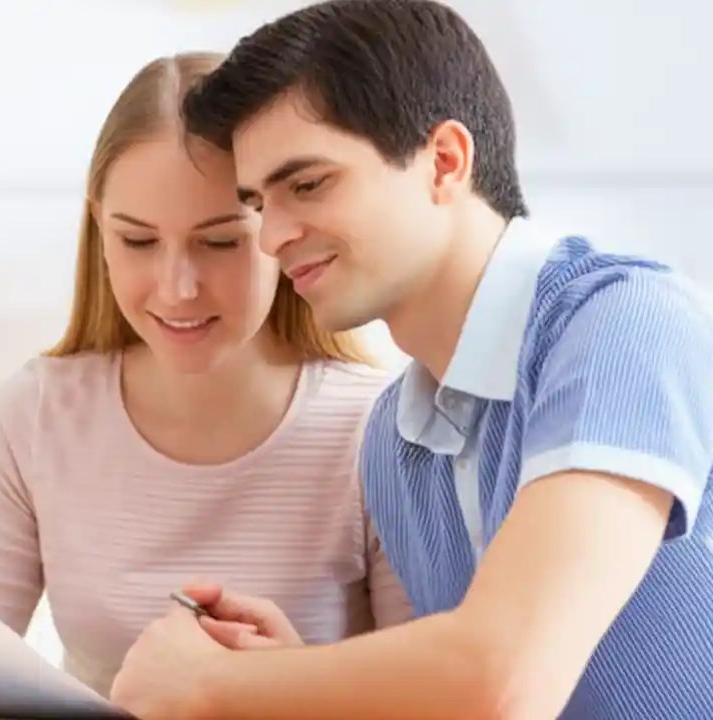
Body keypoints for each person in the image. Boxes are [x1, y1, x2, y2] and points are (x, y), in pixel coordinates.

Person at [108, 1, 713, 719]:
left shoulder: (623, 323)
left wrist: (209, 684)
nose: (272, 236)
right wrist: (295, 673)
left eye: (307, 185)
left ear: (445, 162)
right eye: (259, 203)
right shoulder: (396, 438)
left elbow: (504, 681)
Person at [0, 52, 411, 715]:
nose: (178, 289)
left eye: (219, 242)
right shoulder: (36, 413)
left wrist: (293, 688)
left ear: (280, 227)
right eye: (139, 242)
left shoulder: (376, 428)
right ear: (100, 231)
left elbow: (435, 701)